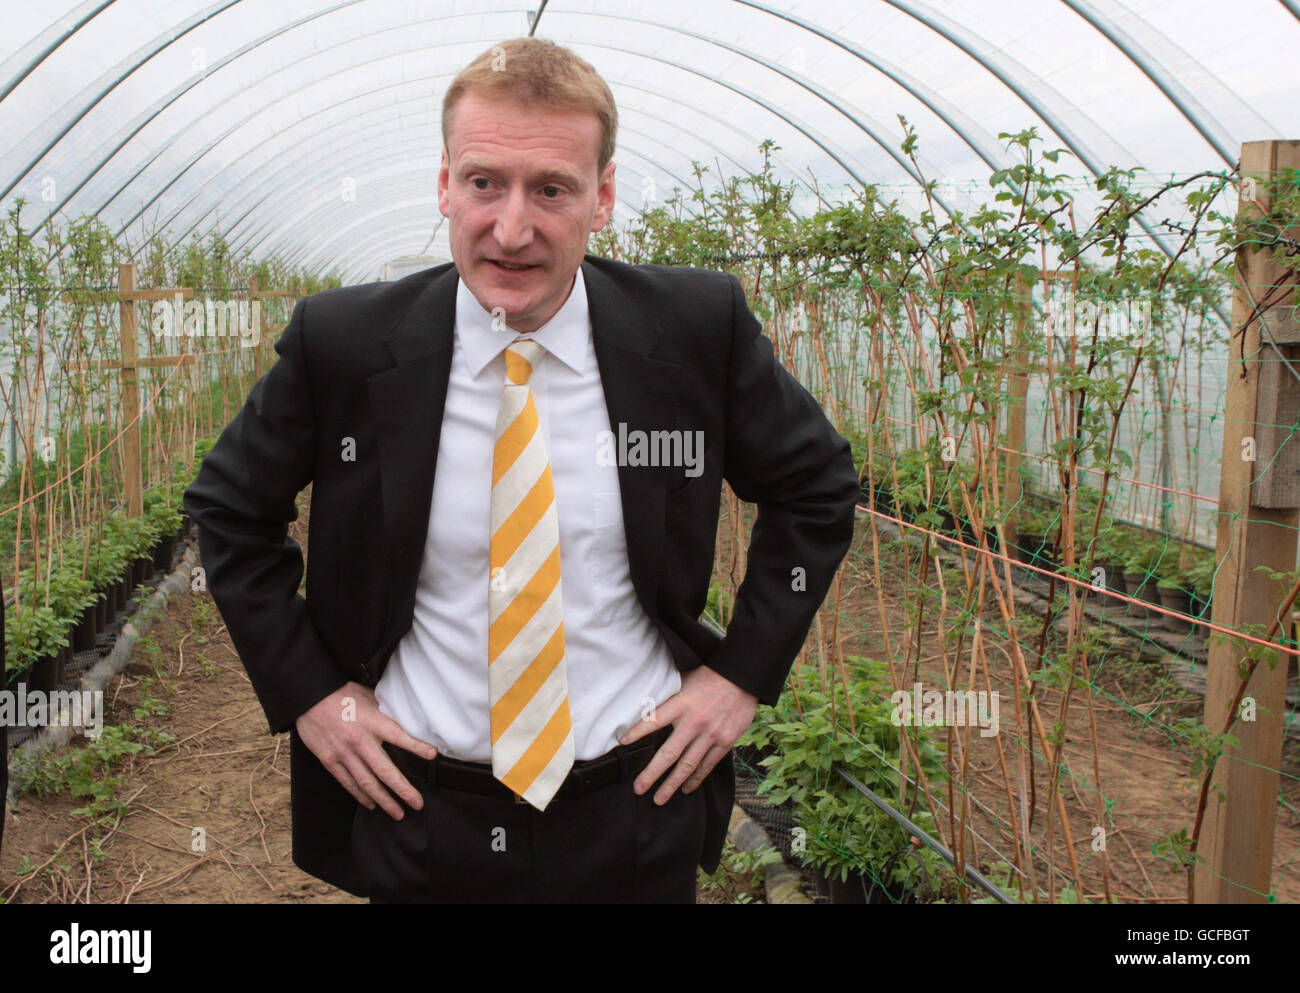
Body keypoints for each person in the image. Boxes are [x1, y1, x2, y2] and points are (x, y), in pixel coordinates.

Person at [183, 36, 860, 903]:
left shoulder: (693, 329)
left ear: (602, 196)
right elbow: (231, 511)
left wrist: (738, 678)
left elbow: (817, 486)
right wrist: (314, 696)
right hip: (422, 811)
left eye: (551, 189)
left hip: (634, 808)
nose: (511, 228)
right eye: (483, 183)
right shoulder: (346, 344)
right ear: (444, 184)